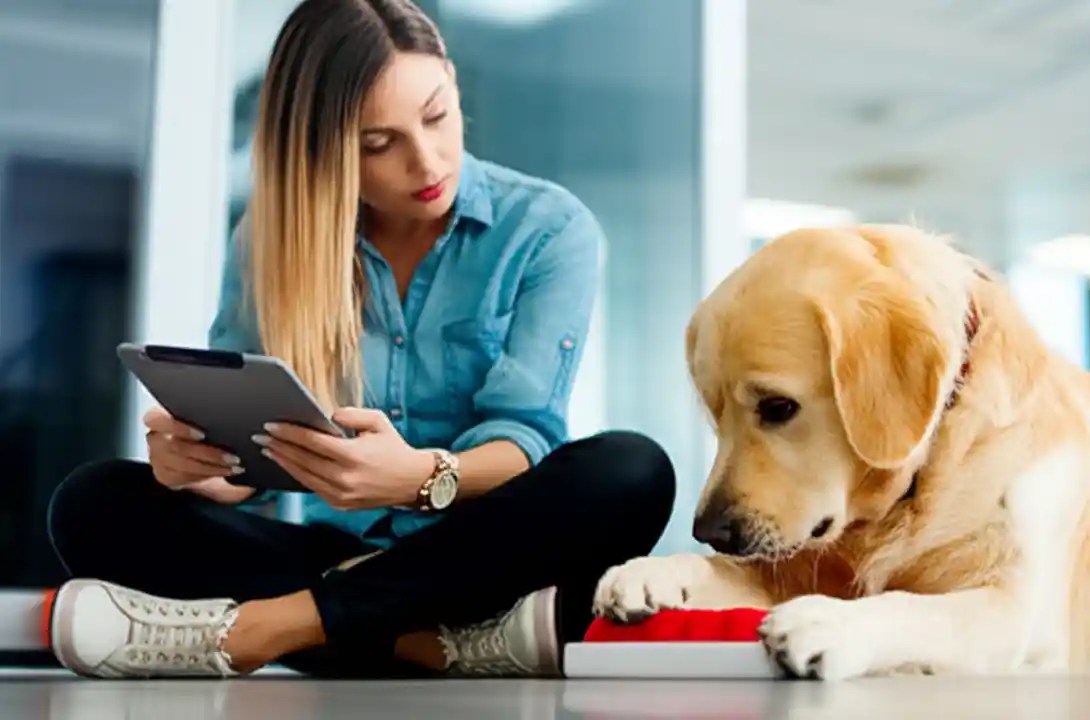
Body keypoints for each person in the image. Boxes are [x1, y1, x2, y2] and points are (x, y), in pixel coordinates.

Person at [45, 0, 674, 679]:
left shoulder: (548, 229)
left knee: (631, 471)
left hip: (490, 550)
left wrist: (422, 478)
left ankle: (271, 628)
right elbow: (253, 467)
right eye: (379, 144)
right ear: (324, 150)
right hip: (350, 561)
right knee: (94, 503)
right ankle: (428, 644)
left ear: (454, 84)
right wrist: (205, 470)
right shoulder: (269, 242)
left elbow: (525, 437)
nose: (428, 159)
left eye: (437, 115)